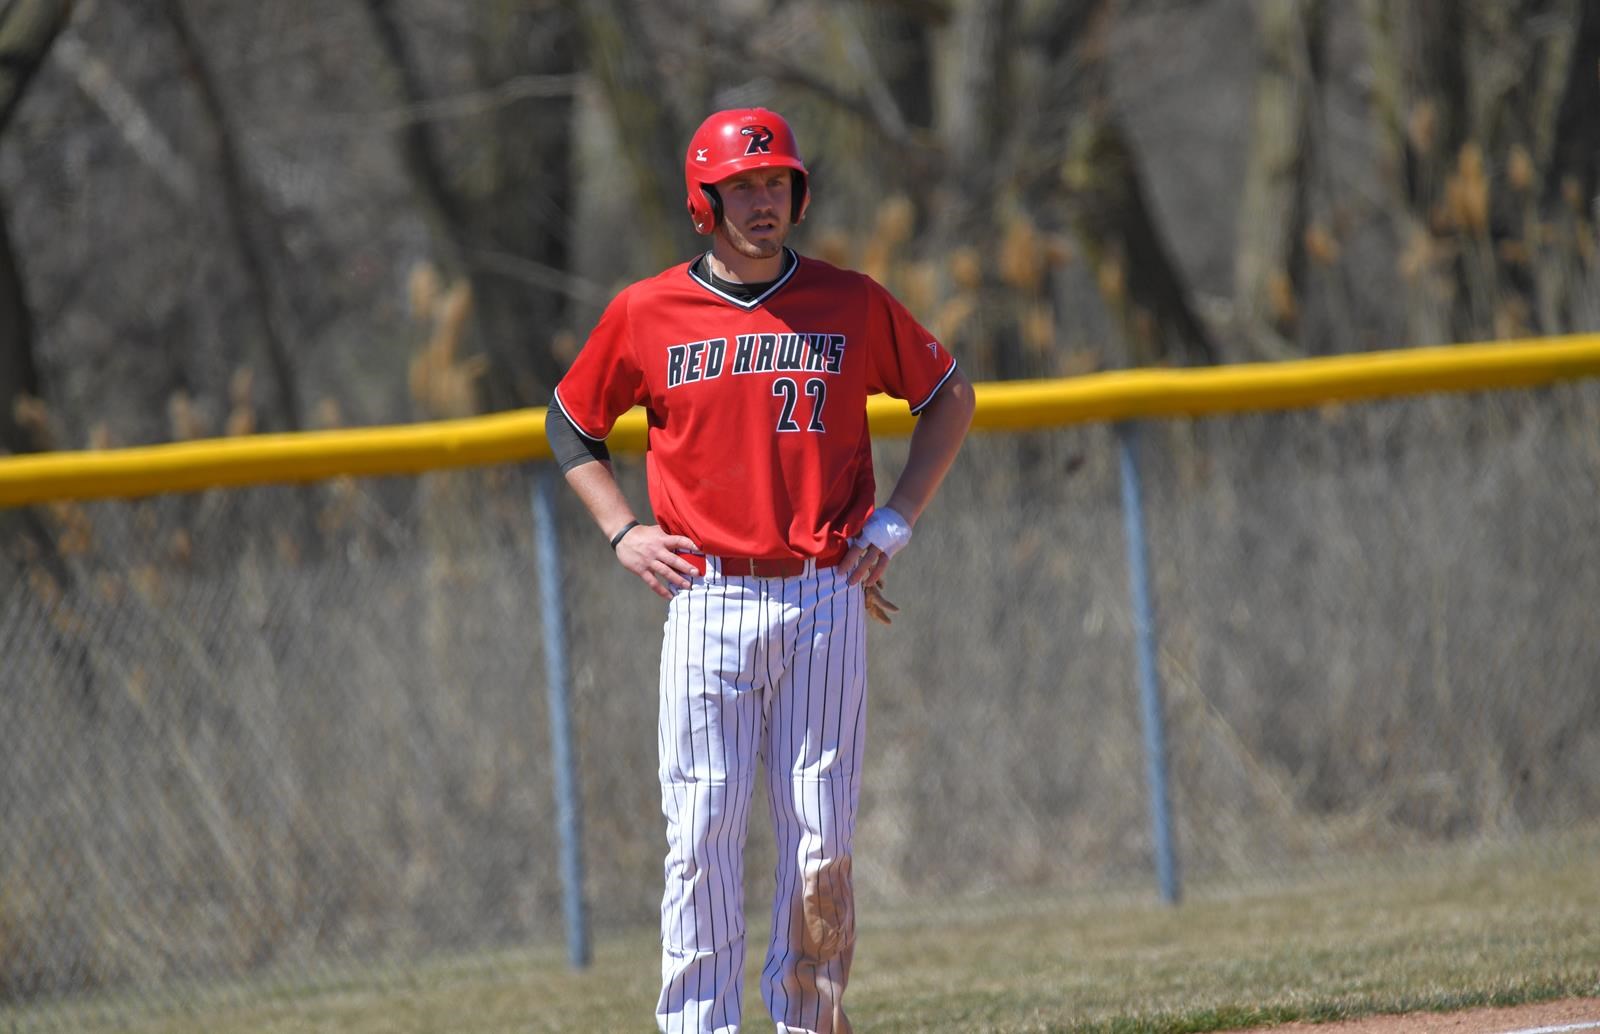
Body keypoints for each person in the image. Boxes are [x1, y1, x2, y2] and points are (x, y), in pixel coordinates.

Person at [545, 107, 974, 1034]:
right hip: (706, 598)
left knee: (820, 844)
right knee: (700, 840)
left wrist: (896, 520)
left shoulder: (850, 302)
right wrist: (623, 531)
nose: (763, 200)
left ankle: (807, 1020)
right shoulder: (647, 311)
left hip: (823, 593)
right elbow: (571, 424)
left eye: (776, 182)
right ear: (705, 202)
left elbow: (947, 397)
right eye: (742, 186)